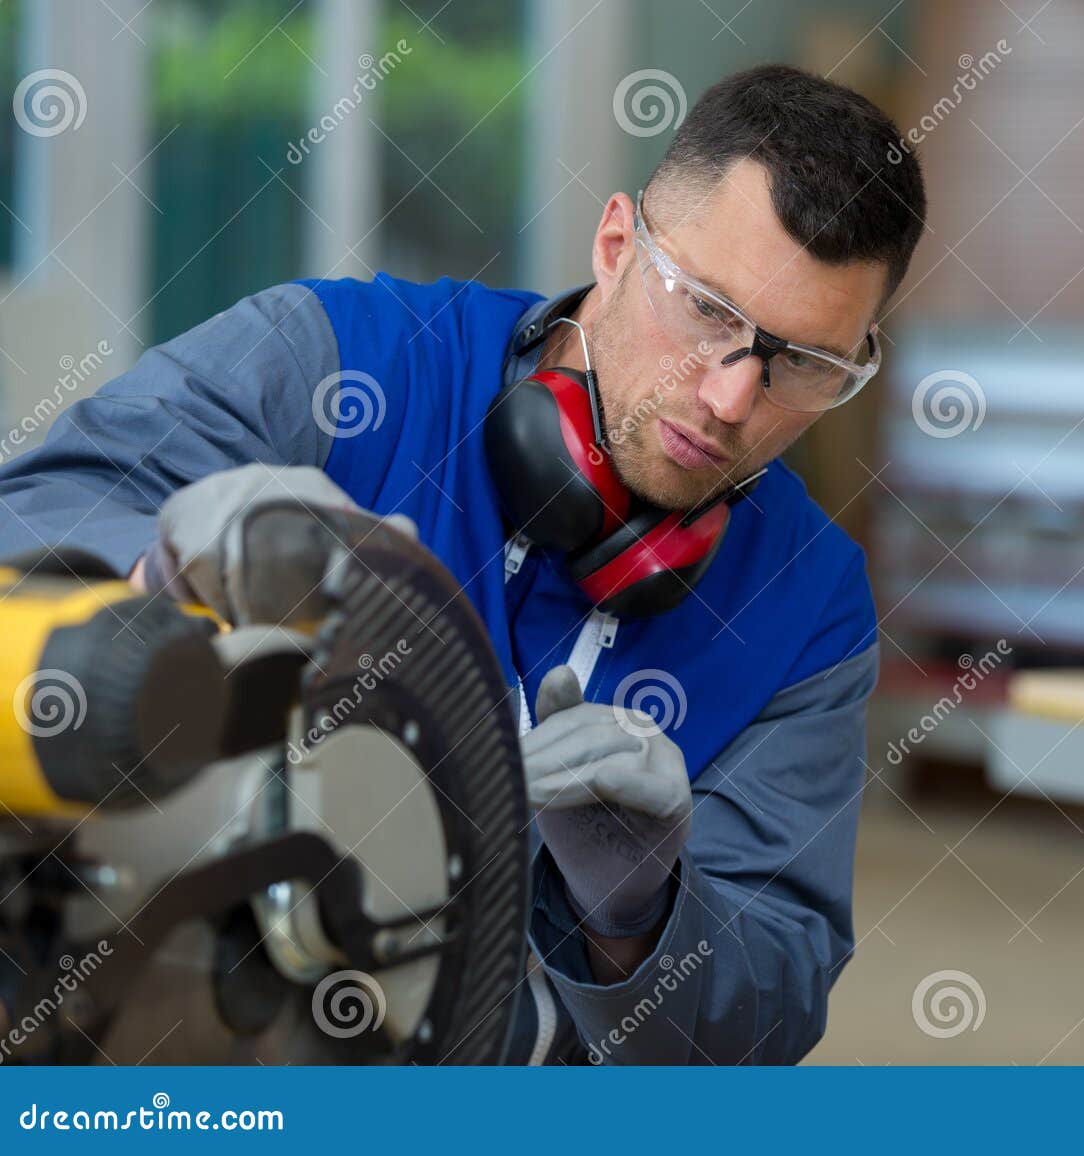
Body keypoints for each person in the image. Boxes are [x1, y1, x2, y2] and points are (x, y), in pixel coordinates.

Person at [0, 64, 926, 1065]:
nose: (733, 399)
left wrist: (641, 917)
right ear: (616, 245)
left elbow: (768, 1016)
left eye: (806, 364)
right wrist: (152, 580)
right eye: (706, 309)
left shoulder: (810, 606)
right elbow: (33, 522)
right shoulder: (346, 364)